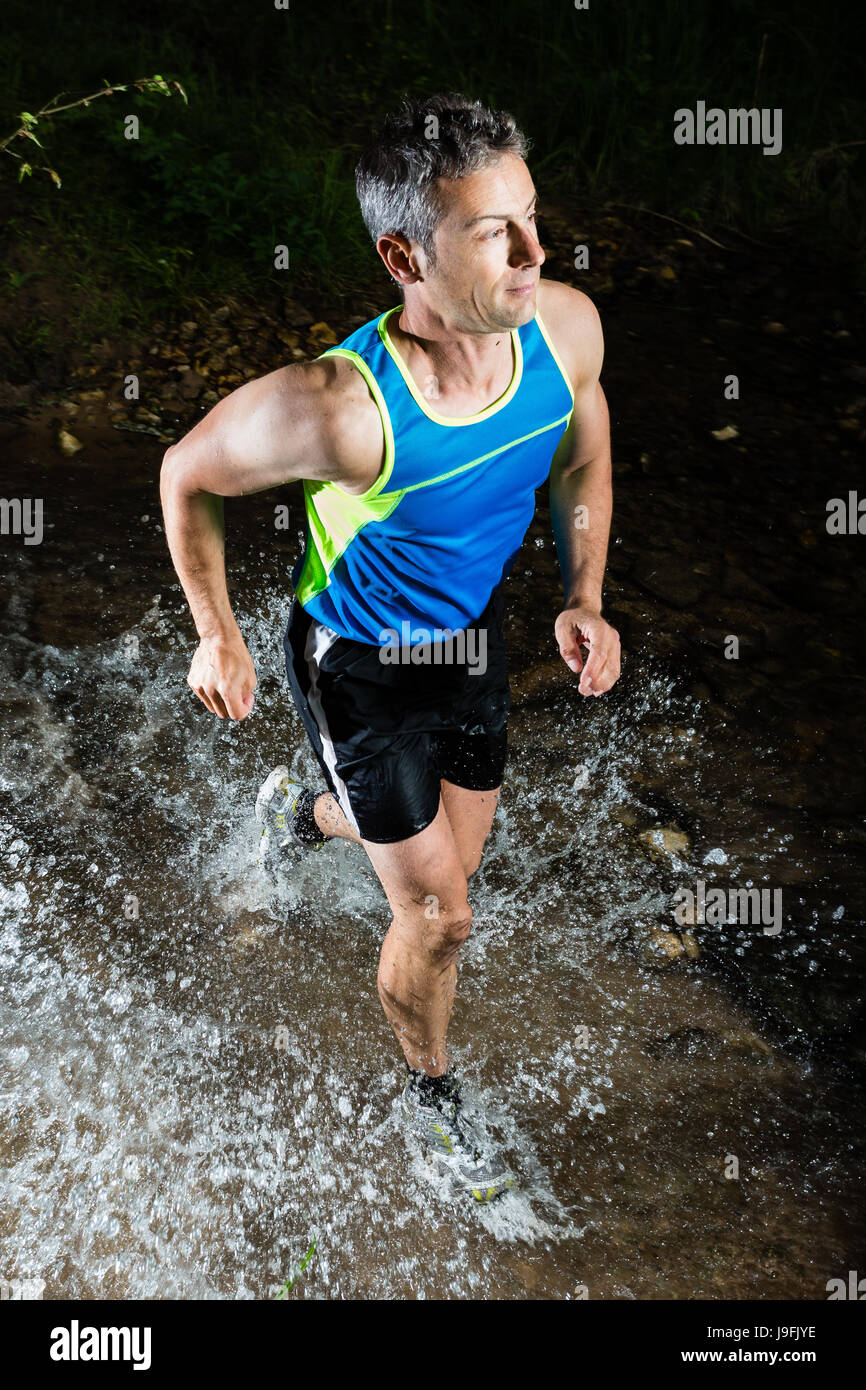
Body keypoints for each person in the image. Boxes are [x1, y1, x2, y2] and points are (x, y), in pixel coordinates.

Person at [160, 92, 621, 1203]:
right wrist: (215, 635)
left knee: (456, 868)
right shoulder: (337, 409)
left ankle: (304, 810)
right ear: (403, 254)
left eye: (530, 218)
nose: (533, 252)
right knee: (438, 913)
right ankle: (431, 1097)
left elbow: (582, 458)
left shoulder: (562, 330)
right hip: (356, 662)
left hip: (465, 641)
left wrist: (584, 592)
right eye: (491, 232)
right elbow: (184, 473)